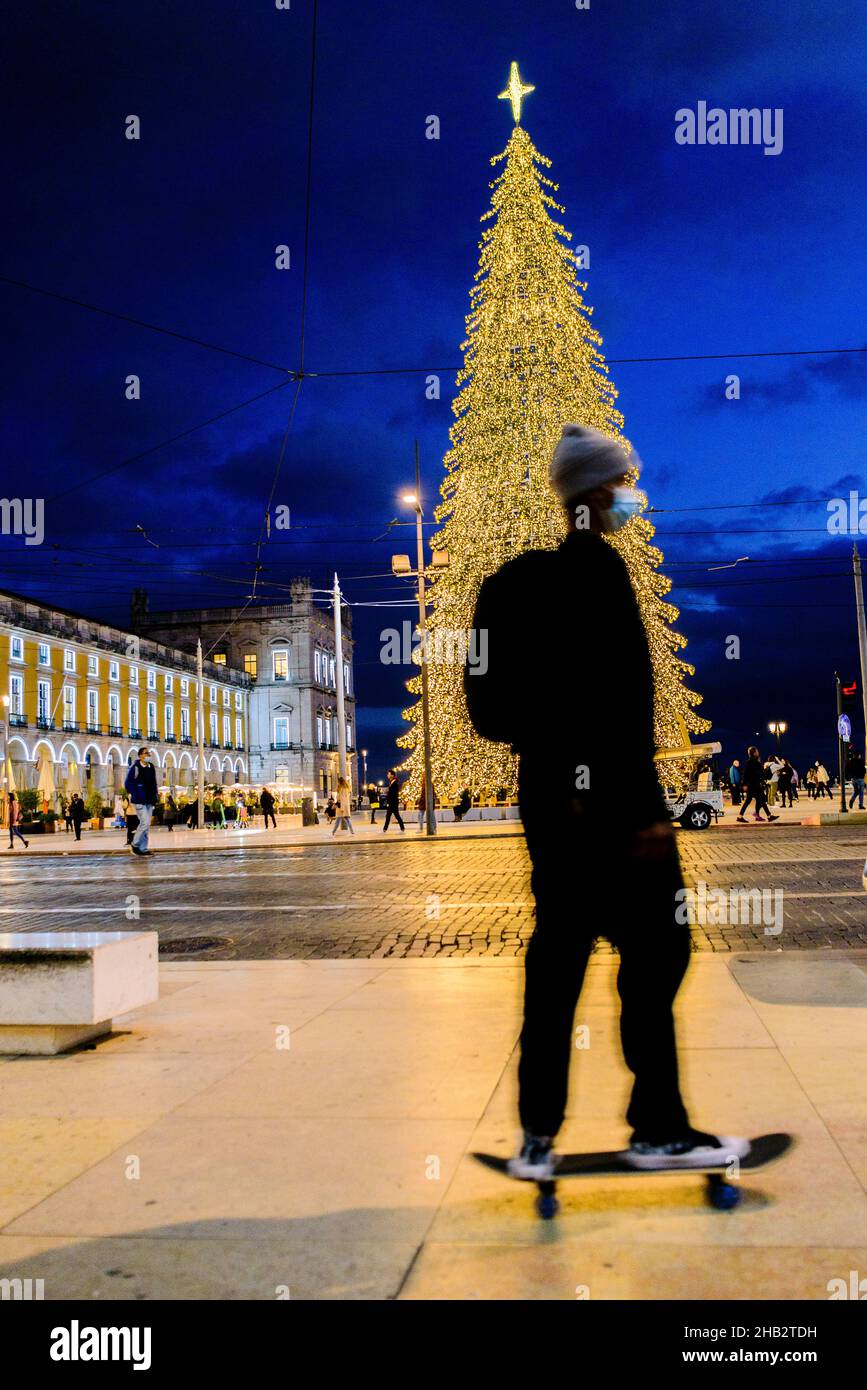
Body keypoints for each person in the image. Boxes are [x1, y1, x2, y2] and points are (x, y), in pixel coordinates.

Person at [465, 422, 749, 1179]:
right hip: (619, 809)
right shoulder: (602, 575)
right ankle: (657, 1126)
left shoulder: (503, 586)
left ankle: (536, 1135)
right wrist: (648, 811)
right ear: (595, 492)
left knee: (557, 959)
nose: (631, 496)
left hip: (548, 803)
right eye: (625, 483)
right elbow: (628, 705)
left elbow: (486, 712)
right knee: (658, 953)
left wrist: (557, 753)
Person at [124, 747, 157, 856]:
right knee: (144, 823)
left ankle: (143, 848)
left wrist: (155, 796)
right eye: (146, 753)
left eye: (149, 752)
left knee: (147, 826)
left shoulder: (151, 766)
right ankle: (135, 844)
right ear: (140, 756)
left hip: (149, 799)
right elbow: (128, 783)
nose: (148, 754)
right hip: (139, 800)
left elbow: (154, 783)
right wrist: (136, 793)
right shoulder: (135, 767)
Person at [737, 747, 778, 823]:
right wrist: (744, 784)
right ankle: (769, 816)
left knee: (758, 800)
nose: (758, 752)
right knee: (755, 800)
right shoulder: (750, 762)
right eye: (757, 751)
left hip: (755, 784)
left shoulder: (755, 762)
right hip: (753, 785)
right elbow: (746, 774)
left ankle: (769, 816)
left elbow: (760, 774)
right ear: (754, 753)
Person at [382, 769, 405, 833]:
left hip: (393, 803)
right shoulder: (392, 782)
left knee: (396, 816)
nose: (387, 775)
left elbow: (394, 794)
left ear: (392, 775)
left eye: (388, 774)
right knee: (389, 816)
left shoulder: (395, 783)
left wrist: (388, 795)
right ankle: (385, 829)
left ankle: (402, 829)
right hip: (392, 802)